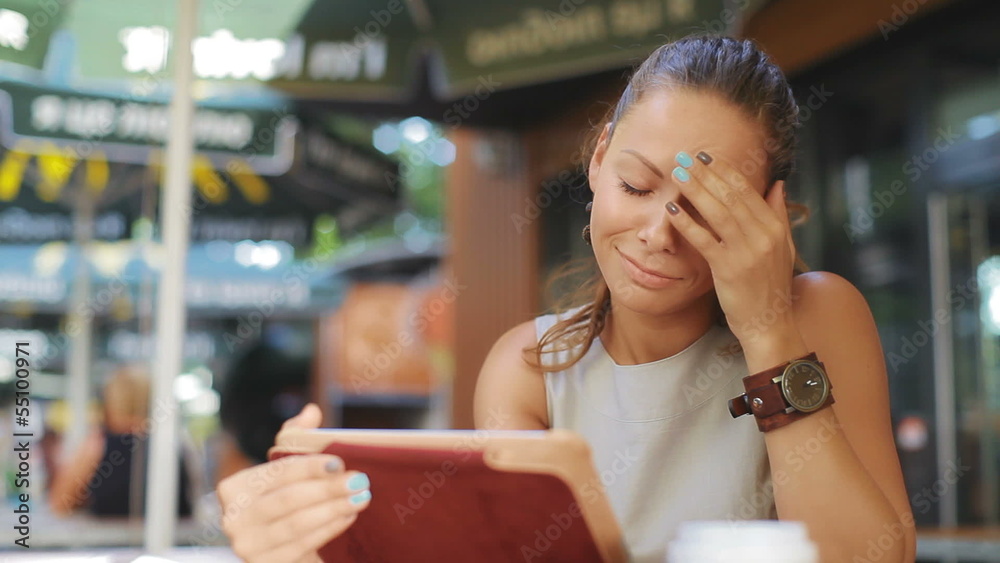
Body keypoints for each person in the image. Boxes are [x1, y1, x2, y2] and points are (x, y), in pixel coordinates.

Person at [217, 35, 916, 563]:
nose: (655, 234)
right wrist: (314, 538)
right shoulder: (532, 364)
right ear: (598, 158)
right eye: (636, 187)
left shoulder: (817, 314)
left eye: (704, 211)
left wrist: (766, 329)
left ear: (771, 213)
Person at [48, 365, 193, 517]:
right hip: (171, 540)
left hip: (108, 539)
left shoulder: (97, 445)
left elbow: (59, 503)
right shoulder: (173, 444)